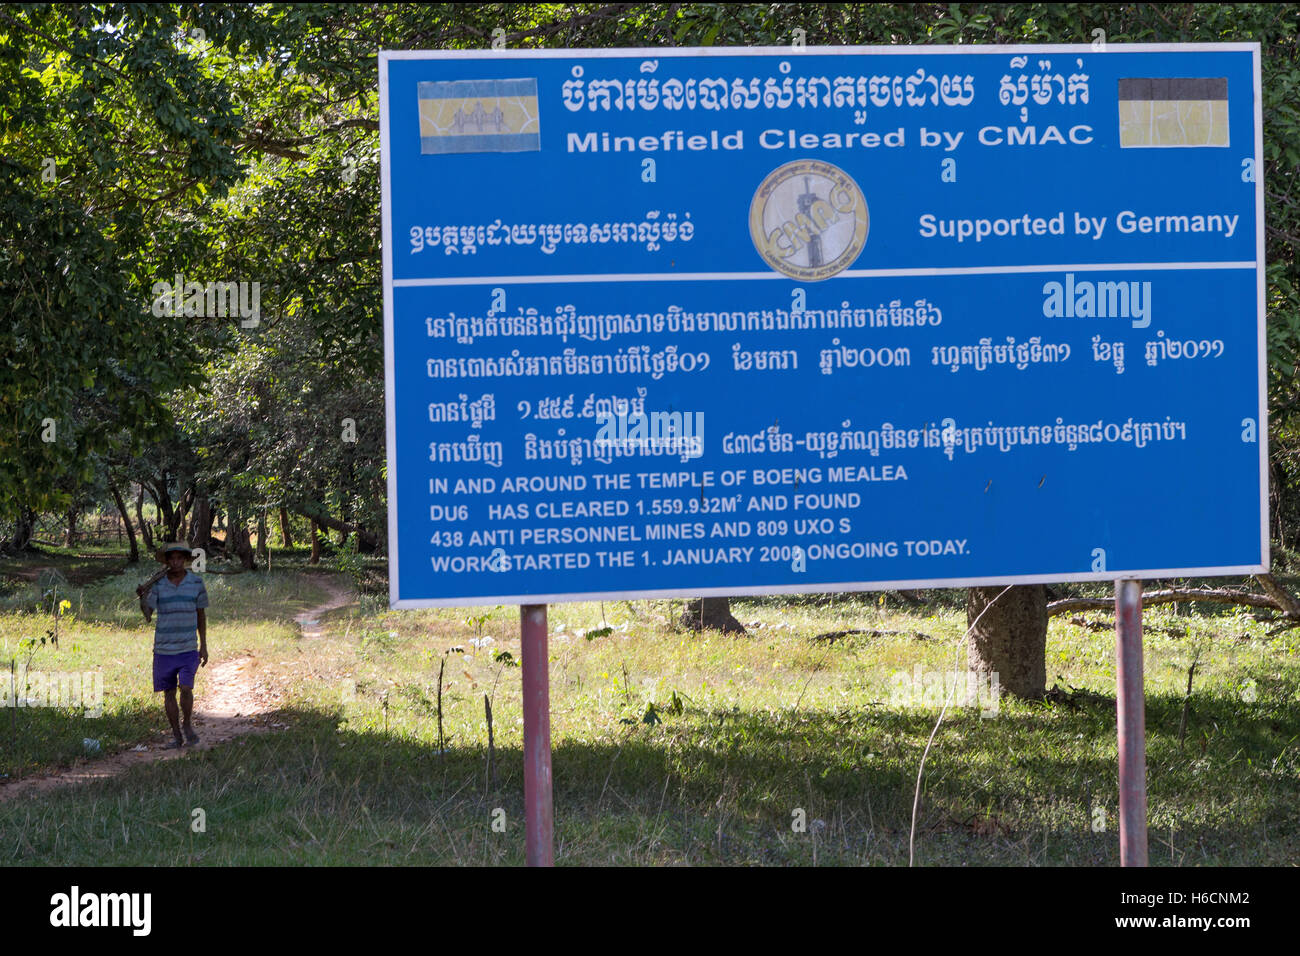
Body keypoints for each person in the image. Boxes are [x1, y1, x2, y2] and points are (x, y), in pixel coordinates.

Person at [137, 543, 209, 748]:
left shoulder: (196, 583)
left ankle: (187, 724)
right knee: (169, 693)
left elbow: (201, 615)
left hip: (188, 647)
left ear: (185, 560)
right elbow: (148, 615)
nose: (176, 562)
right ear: (167, 562)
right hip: (164, 649)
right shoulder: (158, 586)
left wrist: (203, 646)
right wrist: (143, 597)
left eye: (179, 558)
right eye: (172, 559)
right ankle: (176, 735)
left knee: (186, 688)